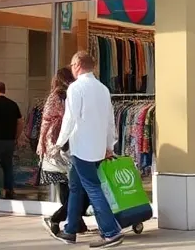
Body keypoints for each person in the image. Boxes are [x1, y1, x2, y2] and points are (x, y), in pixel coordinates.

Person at [54, 51, 122, 247]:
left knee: (92, 188)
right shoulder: (103, 89)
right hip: (97, 148)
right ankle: (70, 229)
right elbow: (110, 121)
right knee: (76, 187)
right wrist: (109, 145)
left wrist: (59, 143)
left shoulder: (76, 88)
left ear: (76, 65)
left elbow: (70, 118)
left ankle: (111, 231)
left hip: (82, 147)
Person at [38, 67, 89, 238]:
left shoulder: (56, 96)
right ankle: (76, 222)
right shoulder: (76, 94)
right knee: (71, 183)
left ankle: (57, 218)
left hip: (58, 142)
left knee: (67, 184)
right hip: (73, 141)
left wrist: (41, 143)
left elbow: (46, 121)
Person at [0, 81, 24, 199]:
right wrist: (16, 136)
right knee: (8, 166)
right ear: (4, 90)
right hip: (9, 140)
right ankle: (9, 190)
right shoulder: (13, 104)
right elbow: (20, 122)